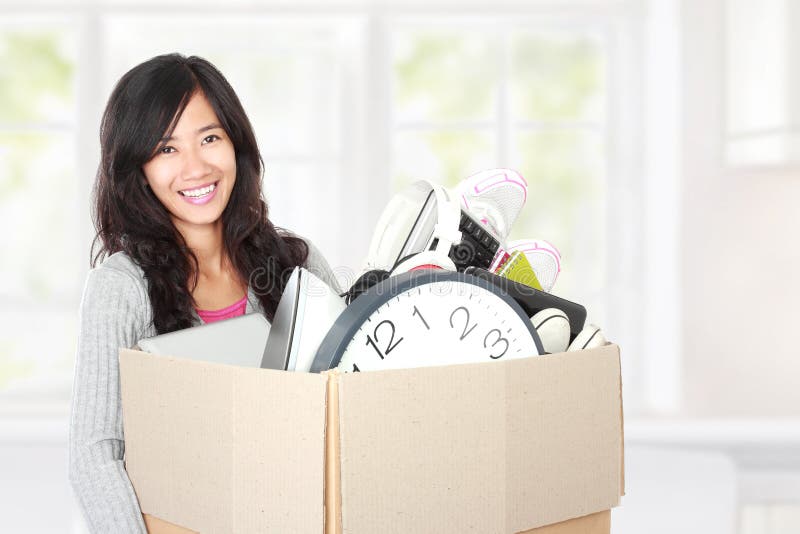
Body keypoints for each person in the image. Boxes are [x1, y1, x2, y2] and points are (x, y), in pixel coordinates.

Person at [68, 53, 340, 532]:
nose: (195, 168)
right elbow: (95, 456)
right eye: (166, 149)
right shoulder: (122, 286)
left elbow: (351, 403)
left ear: (236, 144)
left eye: (209, 138)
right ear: (139, 168)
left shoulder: (297, 263)